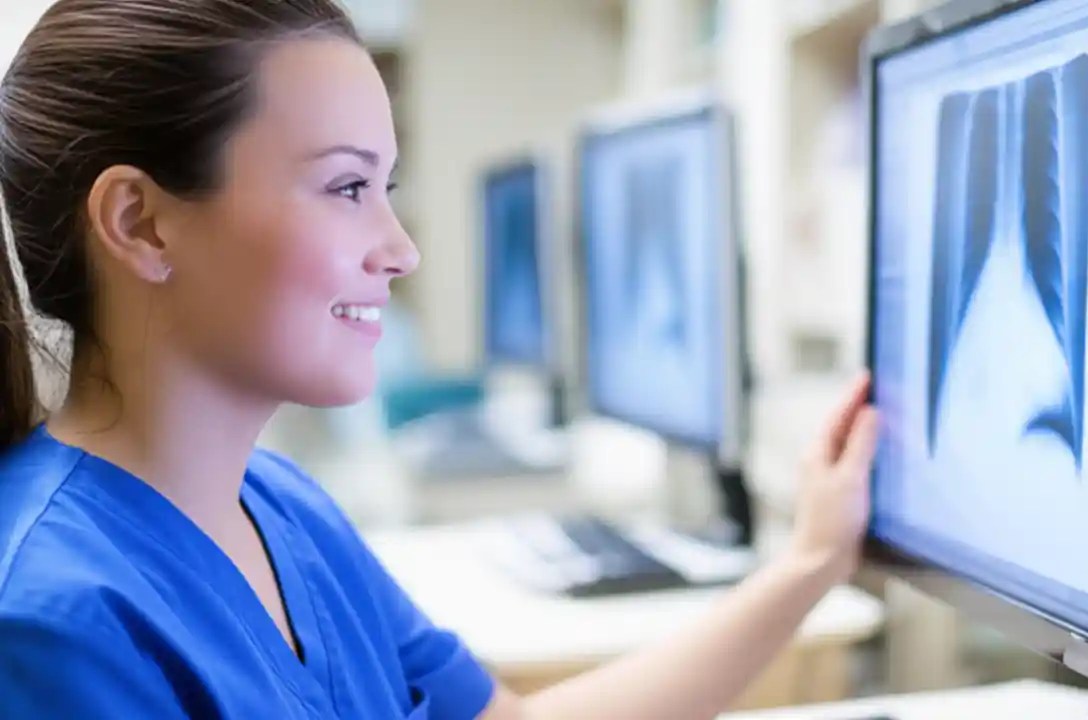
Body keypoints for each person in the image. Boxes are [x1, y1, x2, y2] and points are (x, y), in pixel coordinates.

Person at [0, 1, 879, 718]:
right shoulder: (53, 623)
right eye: (347, 187)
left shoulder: (280, 508)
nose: (399, 249)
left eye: (385, 189)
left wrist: (809, 566)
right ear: (139, 223)